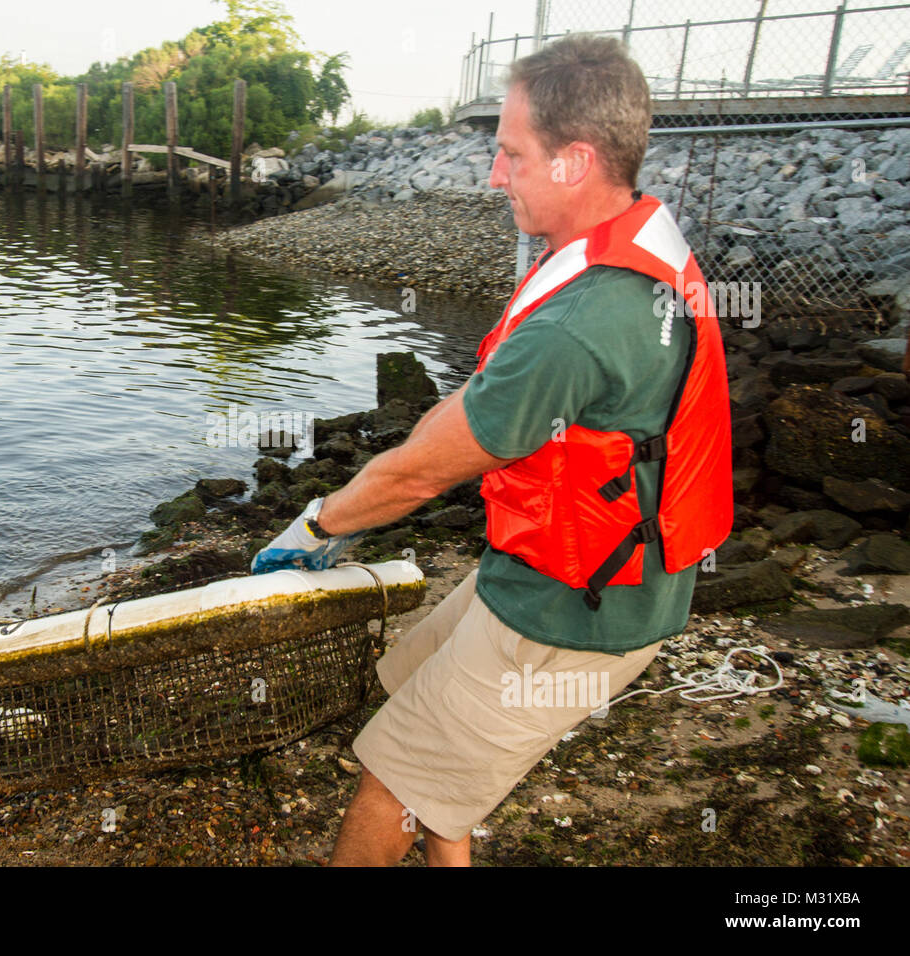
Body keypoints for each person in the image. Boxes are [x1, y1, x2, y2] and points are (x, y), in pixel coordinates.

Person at [250, 33, 733, 866]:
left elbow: (418, 472)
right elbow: (491, 406)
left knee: (390, 784)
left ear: (575, 162)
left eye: (511, 153)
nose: (493, 174)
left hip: (574, 612)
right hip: (546, 568)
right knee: (409, 696)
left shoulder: (586, 322)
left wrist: (317, 528)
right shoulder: (618, 243)